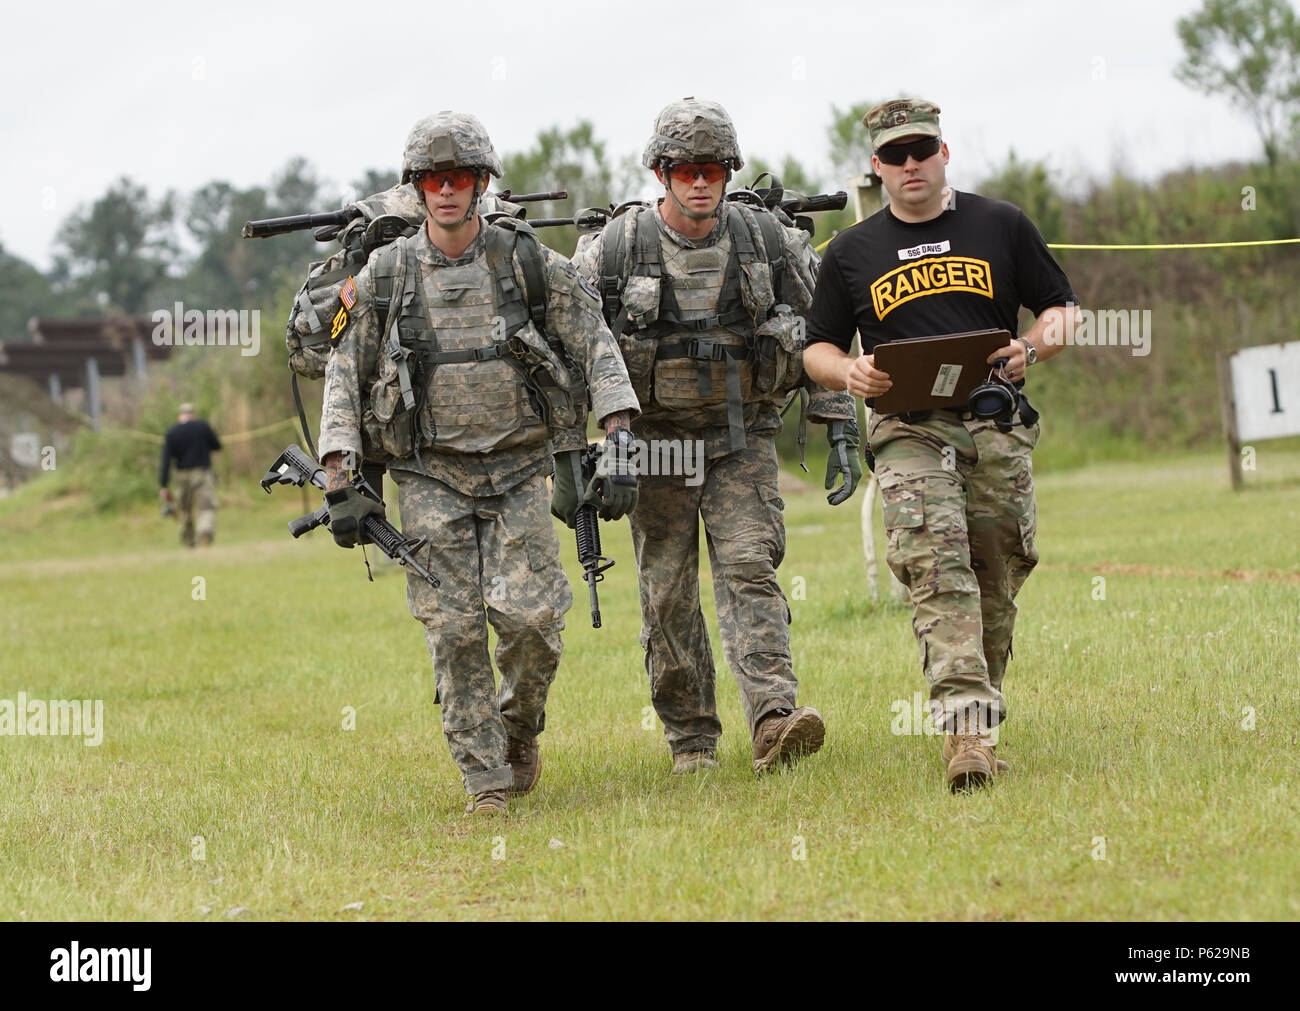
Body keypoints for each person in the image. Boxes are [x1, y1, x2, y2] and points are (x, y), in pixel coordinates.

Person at [317, 112, 640, 816]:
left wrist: (618, 434)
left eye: (459, 177)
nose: (446, 191)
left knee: (530, 621)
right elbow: (345, 371)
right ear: (417, 187)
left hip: (520, 469)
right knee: (454, 628)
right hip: (430, 474)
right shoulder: (386, 274)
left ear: (481, 183)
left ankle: (518, 728)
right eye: (433, 179)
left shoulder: (527, 263)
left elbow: (595, 343)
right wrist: (341, 471)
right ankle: (483, 776)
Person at [572, 98, 860, 777]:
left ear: (728, 173)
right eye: (685, 169)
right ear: (661, 172)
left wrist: (840, 424)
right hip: (654, 447)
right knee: (666, 592)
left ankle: (773, 720)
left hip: (739, 439)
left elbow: (823, 327)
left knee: (749, 567)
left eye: (713, 169)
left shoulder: (767, 239)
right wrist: (581, 452)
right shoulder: (615, 251)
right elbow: (574, 341)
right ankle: (692, 739)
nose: (700, 183)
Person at [802, 98, 1078, 791]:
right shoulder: (850, 251)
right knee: (937, 562)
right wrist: (849, 371)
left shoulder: (1001, 224)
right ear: (876, 166)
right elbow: (816, 348)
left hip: (993, 419)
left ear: (943, 153)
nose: (909, 164)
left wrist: (1031, 348)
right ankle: (966, 733)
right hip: (907, 427)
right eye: (894, 155)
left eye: (920, 150)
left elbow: (1063, 310)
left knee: (997, 572)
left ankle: (977, 715)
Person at [159, 402, 221, 547]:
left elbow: (166, 460)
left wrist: (163, 485)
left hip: (181, 476)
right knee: (205, 506)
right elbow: (217, 445)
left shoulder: (172, 432)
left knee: (184, 510)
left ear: (180, 415)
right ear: (193, 414)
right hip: (202, 474)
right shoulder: (202, 427)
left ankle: (188, 541)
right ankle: (205, 536)